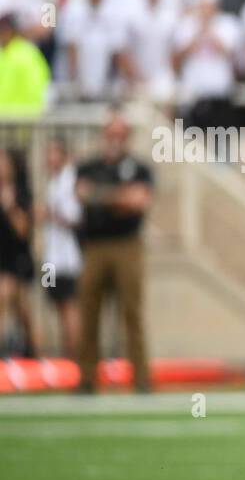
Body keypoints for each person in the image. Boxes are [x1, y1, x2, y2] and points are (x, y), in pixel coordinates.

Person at [75, 112, 153, 393]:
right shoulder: (89, 166)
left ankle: (142, 380)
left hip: (127, 245)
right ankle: (86, 379)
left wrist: (101, 196)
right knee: (89, 313)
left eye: (121, 134)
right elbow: (82, 194)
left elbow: (139, 200)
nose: (115, 140)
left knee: (132, 313)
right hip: (95, 246)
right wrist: (120, 196)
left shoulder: (139, 168)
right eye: (111, 133)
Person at [39, 136, 82, 356]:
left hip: (67, 258)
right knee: (57, 304)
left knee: (69, 305)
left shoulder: (69, 180)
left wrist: (50, 214)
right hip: (52, 259)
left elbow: (75, 217)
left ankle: (74, 356)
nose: (49, 158)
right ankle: (67, 354)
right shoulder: (53, 182)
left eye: (54, 153)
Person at [0, 147, 36, 356]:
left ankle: (37, 355)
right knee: (22, 312)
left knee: (4, 296)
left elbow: (23, 231)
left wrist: (10, 207)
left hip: (16, 260)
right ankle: (36, 353)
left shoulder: (21, 192)